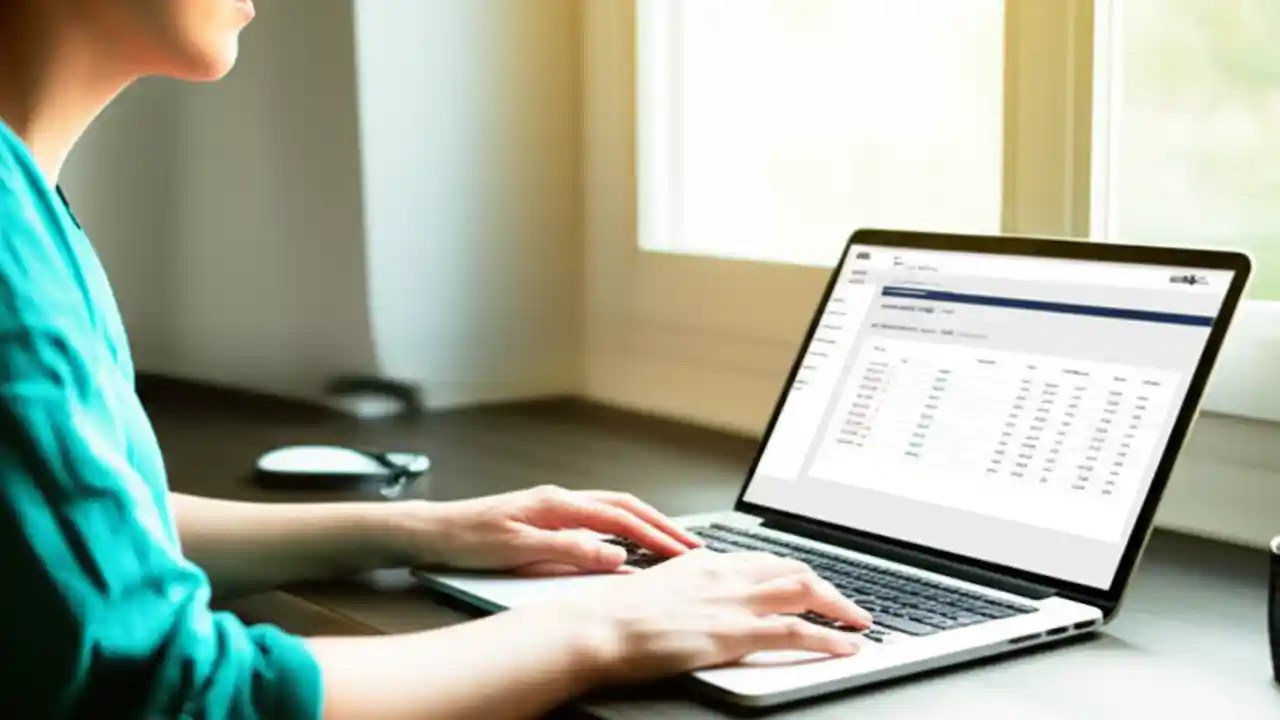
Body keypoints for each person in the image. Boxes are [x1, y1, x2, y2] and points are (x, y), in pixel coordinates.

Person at [0, 1, 872, 717]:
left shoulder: (27, 199)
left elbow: (82, 539)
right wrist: (603, 629)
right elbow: (171, 692)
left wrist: (415, 527)